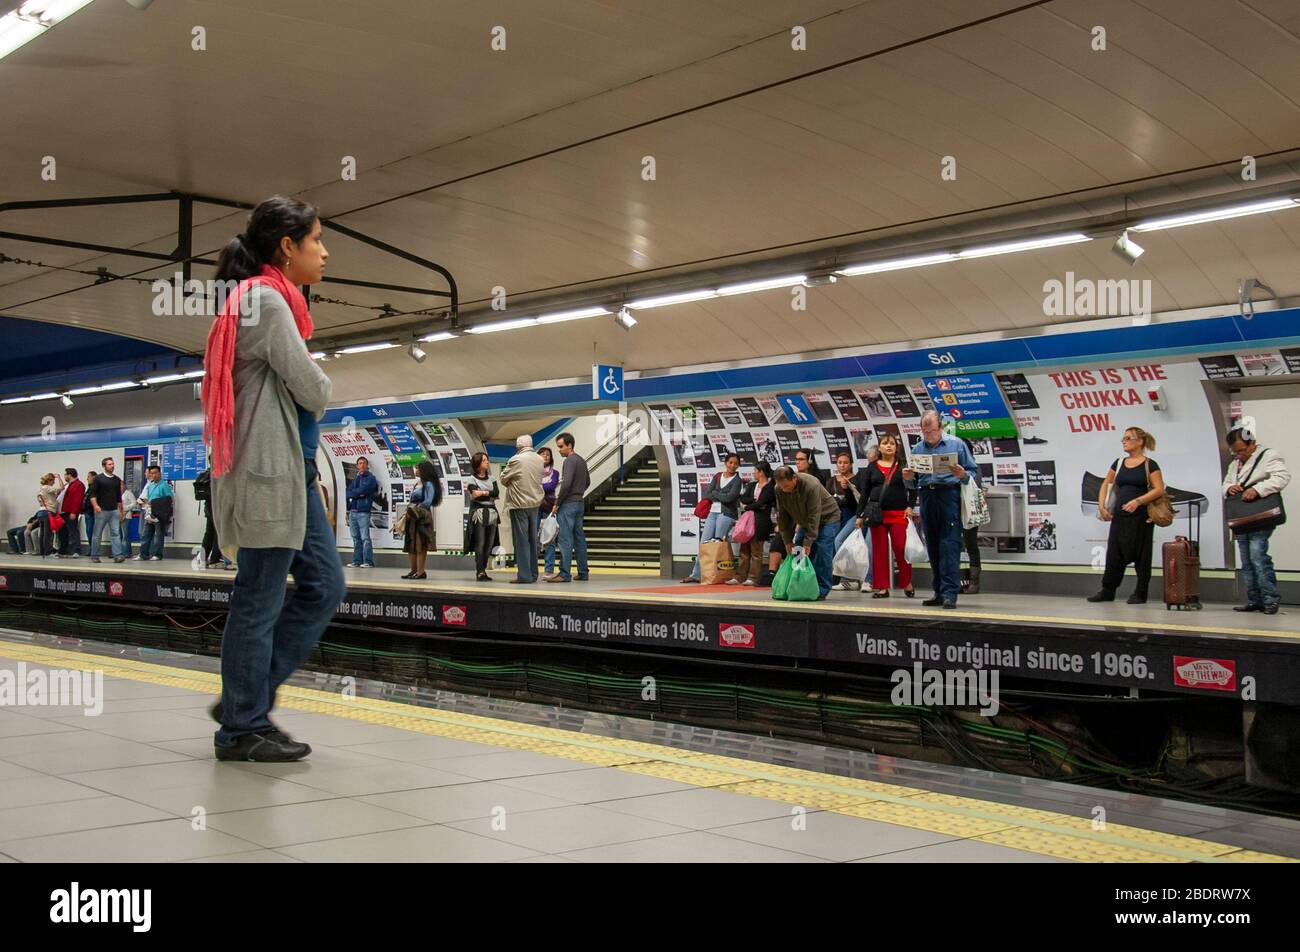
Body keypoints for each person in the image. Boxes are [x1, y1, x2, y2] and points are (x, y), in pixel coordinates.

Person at [202, 195, 345, 762]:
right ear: (287, 247)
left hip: (290, 475)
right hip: (267, 475)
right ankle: (241, 727)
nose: (325, 252)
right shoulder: (263, 302)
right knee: (257, 601)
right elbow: (314, 390)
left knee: (325, 585)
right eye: (317, 241)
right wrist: (320, 377)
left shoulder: (266, 300)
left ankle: (248, 699)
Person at [904, 411, 977, 609]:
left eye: (932, 432)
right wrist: (909, 477)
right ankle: (938, 591)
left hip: (949, 494)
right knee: (933, 546)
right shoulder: (918, 448)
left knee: (949, 545)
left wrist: (962, 474)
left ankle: (950, 593)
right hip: (927, 495)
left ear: (941, 428)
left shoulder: (956, 444)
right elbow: (912, 483)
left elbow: (973, 472)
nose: (929, 436)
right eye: (925, 432)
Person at [1087, 426, 1166, 605]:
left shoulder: (1149, 464)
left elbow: (1159, 489)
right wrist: (1102, 506)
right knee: (1114, 552)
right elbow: (1106, 484)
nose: (1124, 441)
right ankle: (1108, 590)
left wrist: (1138, 501)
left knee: (1142, 554)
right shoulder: (1119, 463)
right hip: (1120, 517)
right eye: (1123, 438)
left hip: (1141, 517)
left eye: (1128, 438)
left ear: (1140, 441)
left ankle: (1141, 592)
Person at [1223, 426, 1291, 615]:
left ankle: (1270, 599)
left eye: (1242, 450)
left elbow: (1282, 477)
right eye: (1234, 452)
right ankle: (1254, 600)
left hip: (1261, 516)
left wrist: (1258, 489)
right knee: (1246, 560)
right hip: (1242, 517)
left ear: (1252, 444)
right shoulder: (1234, 464)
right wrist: (1230, 488)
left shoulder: (1269, 455)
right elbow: (1226, 482)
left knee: (1258, 557)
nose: (1238, 455)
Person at [856, 433, 916, 598]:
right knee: (879, 550)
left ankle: (907, 582)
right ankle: (882, 587)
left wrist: (910, 507)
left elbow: (913, 488)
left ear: (897, 448)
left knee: (901, 548)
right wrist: (859, 515)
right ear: (879, 447)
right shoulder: (872, 467)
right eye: (885, 443)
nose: (889, 446)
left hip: (898, 514)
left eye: (892, 444)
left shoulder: (903, 465)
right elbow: (865, 492)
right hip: (877, 515)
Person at [774, 465, 842, 599]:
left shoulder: (811, 485)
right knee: (797, 551)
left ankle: (821, 589)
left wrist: (808, 542)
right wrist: (787, 541)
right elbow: (783, 516)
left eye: (787, 486)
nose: (784, 490)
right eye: (781, 487)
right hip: (805, 520)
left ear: (794, 478)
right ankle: (797, 585)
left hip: (828, 518)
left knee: (822, 550)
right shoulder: (779, 489)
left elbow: (814, 514)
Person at [683, 452, 742, 583]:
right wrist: (719, 494)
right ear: (726, 463)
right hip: (712, 513)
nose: (733, 465)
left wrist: (716, 493)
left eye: (736, 463)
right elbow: (708, 494)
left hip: (726, 515)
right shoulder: (717, 476)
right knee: (704, 544)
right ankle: (696, 575)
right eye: (730, 462)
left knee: (717, 545)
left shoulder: (737, 481)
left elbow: (729, 498)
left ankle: (715, 575)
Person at [500, 434, 545, 583]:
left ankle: (524, 576)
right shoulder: (539, 459)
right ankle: (533, 574)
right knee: (533, 540)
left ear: (519, 446)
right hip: (535, 504)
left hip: (519, 504)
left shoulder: (516, 460)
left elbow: (503, 478)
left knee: (521, 541)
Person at [548, 431, 590, 583]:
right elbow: (588, 481)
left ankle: (564, 574)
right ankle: (583, 572)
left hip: (568, 505)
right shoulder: (581, 460)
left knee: (565, 539)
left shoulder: (570, 461)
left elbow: (566, 483)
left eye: (561, 447)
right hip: (579, 503)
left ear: (569, 445)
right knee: (579, 539)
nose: (559, 450)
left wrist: (557, 503)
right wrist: (578, 494)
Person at [825, 451, 862, 590]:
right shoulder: (832, 480)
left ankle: (849, 578)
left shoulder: (856, 479)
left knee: (844, 543)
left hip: (851, 514)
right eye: (839, 462)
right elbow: (827, 498)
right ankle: (837, 577)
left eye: (845, 462)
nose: (842, 465)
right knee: (834, 544)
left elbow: (856, 502)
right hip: (834, 516)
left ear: (851, 464)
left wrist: (845, 493)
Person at [734, 461, 774, 586]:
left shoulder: (769, 487)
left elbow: (762, 503)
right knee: (744, 550)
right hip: (747, 522)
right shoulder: (752, 485)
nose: (753, 473)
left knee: (756, 551)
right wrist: (754, 502)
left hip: (760, 522)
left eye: (755, 471)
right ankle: (740, 576)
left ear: (761, 472)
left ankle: (753, 577)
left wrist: (748, 506)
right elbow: (743, 498)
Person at [402, 459, 442, 579]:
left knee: (421, 544)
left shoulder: (428, 484)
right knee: (411, 544)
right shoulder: (417, 483)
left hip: (422, 516)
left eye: (418, 468)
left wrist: (415, 508)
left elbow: (428, 501)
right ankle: (413, 570)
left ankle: (420, 571)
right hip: (412, 515)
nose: (416, 470)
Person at [466, 451, 500, 581]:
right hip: (479, 514)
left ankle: (483, 569)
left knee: (489, 543)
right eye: (484, 460)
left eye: (487, 459)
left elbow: (496, 492)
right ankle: (479, 571)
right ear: (477, 463)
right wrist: (489, 494)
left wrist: (482, 492)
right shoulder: (471, 479)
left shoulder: (492, 478)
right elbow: (474, 494)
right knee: (480, 542)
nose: (487, 462)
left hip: (492, 513)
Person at [88, 457, 126, 564]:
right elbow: (93, 494)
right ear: (104, 466)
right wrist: (95, 506)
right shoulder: (98, 479)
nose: (112, 466)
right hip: (101, 510)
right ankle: (95, 555)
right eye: (109, 464)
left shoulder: (117, 480)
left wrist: (121, 510)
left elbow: (118, 497)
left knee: (115, 533)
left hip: (114, 510)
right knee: (97, 534)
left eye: (113, 464)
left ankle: (118, 555)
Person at [960, 439, 984, 595]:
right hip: (955, 510)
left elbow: (973, 485)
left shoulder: (973, 468)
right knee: (957, 546)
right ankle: (960, 581)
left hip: (969, 511)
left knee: (971, 544)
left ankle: (974, 582)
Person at [135, 465, 174, 561]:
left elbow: (170, 499)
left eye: (156, 473)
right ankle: (143, 554)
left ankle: (157, 554)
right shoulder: (150, 485)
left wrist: (156, 502)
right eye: (152, 473)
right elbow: (149, 498)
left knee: (158, 535)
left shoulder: (164, 485)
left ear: (160, 473)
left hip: (160, 513)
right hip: (150, 512)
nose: (154, 475)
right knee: (146, 534)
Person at [346, 456, 379, 569]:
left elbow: (365, 490)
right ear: (357, 466)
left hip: (363, 511)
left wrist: (357, 493)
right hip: (353, 512)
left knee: (365, 538)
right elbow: (348, 492)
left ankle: (368, 561)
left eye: (364, 463)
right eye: (360, 463)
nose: (362, 465)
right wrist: (357, 493)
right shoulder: (355, 479)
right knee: (355, 538)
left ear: (367, 465)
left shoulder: (371, 478)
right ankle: (356, 561)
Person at [538, 447, 559, 577]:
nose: (545, 456)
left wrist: (539, 485)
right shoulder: (533, 471)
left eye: (548, 455)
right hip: (534, 506)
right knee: (533, 537)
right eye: (542, 454)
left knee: (549, 538)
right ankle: (531, 569)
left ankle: (549, 569)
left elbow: (551, 486)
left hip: (548, 507)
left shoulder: (554, 473)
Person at [32, 471, 64, 558]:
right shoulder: (47, 488)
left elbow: (50, 497)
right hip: (48, 512)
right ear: (49, 481)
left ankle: (42, 551)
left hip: (40, 512)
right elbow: (62, 488)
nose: (54, 482)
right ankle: (48, 552)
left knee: (42, 533)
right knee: (48, 533)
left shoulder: (40, 488)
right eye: (53, 481)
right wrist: (59, 477)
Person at [56, 468, 84, 558]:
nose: (64, 476)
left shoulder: (78, 485)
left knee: (73, 531)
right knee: (62, 532)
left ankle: (77, 550)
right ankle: (63, 550)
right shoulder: (67, 485)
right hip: (62, 512)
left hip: (69, 512)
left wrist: (74, 512)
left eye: (65, 475)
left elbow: (77, 499)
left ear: (69, 475)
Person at [82, 469, 97, 550]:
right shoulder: (89, 488)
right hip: (87, 512)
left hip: (91, 512)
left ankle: (93, 549)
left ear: (93, 477)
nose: (87, 478)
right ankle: (91, 548)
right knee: (88, 531)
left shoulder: (95, 488)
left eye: (88, 477)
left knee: (91, 531)